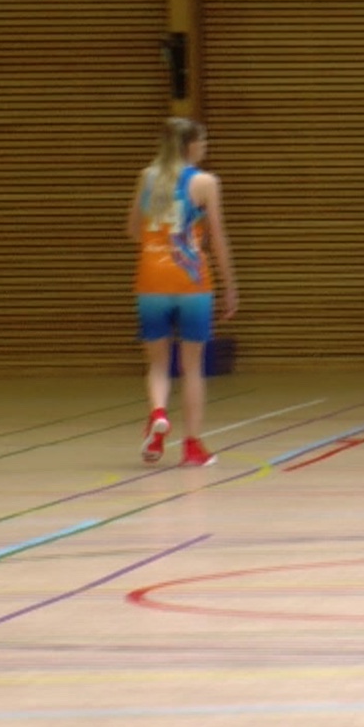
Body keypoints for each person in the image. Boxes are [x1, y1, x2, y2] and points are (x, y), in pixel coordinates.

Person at [130, 117, 237, 467]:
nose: (205, 149)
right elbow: (218, 238)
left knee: (158, 364)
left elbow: (132, 229)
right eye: (203, 143)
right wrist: (230, 285)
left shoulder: (147, 177)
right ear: (190, 146)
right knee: (192, 367)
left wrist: (158, 242)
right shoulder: (205, 182)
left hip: (151, 278)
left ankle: (159, 413)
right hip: (192, 281)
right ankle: (192, 445)